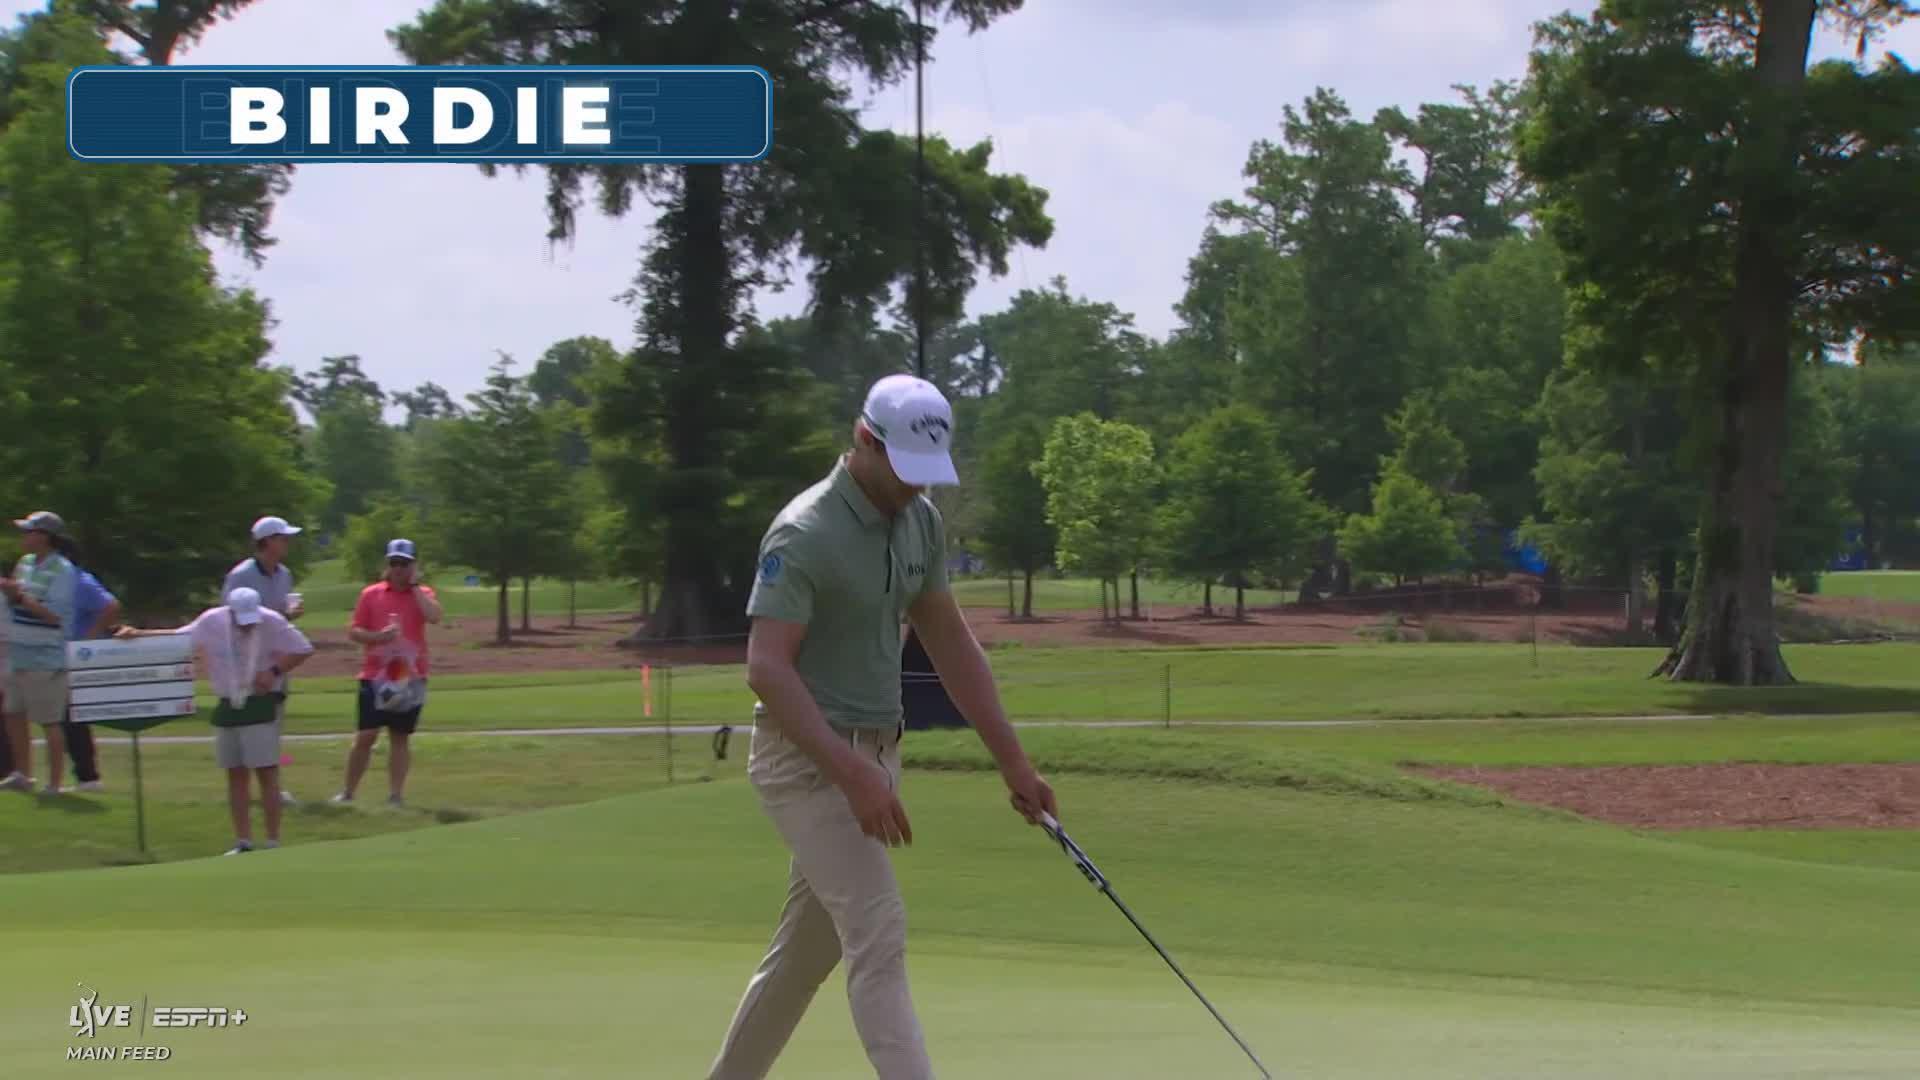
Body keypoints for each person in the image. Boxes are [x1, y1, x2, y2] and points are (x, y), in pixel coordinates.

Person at [705, 374, 1058, 1080]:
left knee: (803, 957)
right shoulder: (805, 532)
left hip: (873, 760)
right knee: (878, 931)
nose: (914, 487)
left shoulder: (919, 519)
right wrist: (851, 772)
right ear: (864, 441)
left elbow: (953, 648)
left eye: (927, 475)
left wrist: (1014, 764)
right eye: (903, 469)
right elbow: (767, 669)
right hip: (805, 763)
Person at [117, 587, 313, 855]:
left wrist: (275, 671)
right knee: (235, 773)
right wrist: (139, 635)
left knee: (266, 773)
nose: (246, 626)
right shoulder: (212, 620)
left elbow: (303, 648)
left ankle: (272, 842)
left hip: (259, 701)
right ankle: (243, 841)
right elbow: (179, 637)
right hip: (227, 701)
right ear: (230, 612)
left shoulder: (271, 620)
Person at [332, 539, 441, 808]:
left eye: (404, 564)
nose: (399, 569)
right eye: (394, 563)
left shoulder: (422, 593)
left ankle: (395, 795)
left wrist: (415, 587)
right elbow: (354, 631)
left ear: (414, 565)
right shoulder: (372, 593)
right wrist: (377, 637)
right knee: (366, 735)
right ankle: (348, 792)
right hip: (375, 673)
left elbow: (435, 616)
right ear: (387, 565)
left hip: (409, 674)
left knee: (399, 736)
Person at [225, 515, 306, 807]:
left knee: (273, 725)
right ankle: (245, 788)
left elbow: (279, 613)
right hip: (248, 661)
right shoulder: (241, 576)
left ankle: (272, 788)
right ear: (267, 541)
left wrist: (288, 614)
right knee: (247, 727)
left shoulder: (284, 574)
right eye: (282, 538)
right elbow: (231, 618)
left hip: (277, 661)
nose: (287, 543)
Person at [0, 511, 80, 794]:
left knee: (48, 721)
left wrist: (19, 596)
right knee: (12, 714)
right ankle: (23, 774)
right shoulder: (25, 563)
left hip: (45, 654)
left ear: (45, 537)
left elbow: (55, 615)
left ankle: (55, 783)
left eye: (29, 532)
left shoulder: (63, 570)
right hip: (16, 651)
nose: (24, 537)